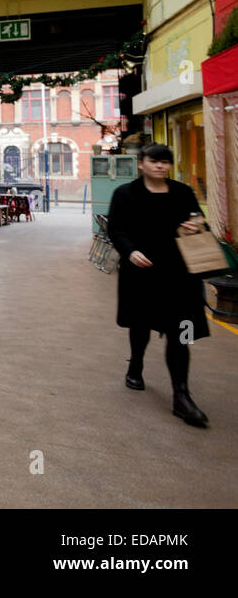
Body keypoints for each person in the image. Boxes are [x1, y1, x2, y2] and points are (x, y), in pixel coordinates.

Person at [106, 143, 210, 427]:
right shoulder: (125, 194)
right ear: (141, 163)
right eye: (154, 161)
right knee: (140, 326)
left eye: (166, 162)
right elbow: (115, 228)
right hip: (142, 272)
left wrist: (196, 226)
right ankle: (136, 364)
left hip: (180, 277)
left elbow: (200, 224)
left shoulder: (183, 193)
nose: (161, 166)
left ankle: (182, 396)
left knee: (182, 334)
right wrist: (129, 251)